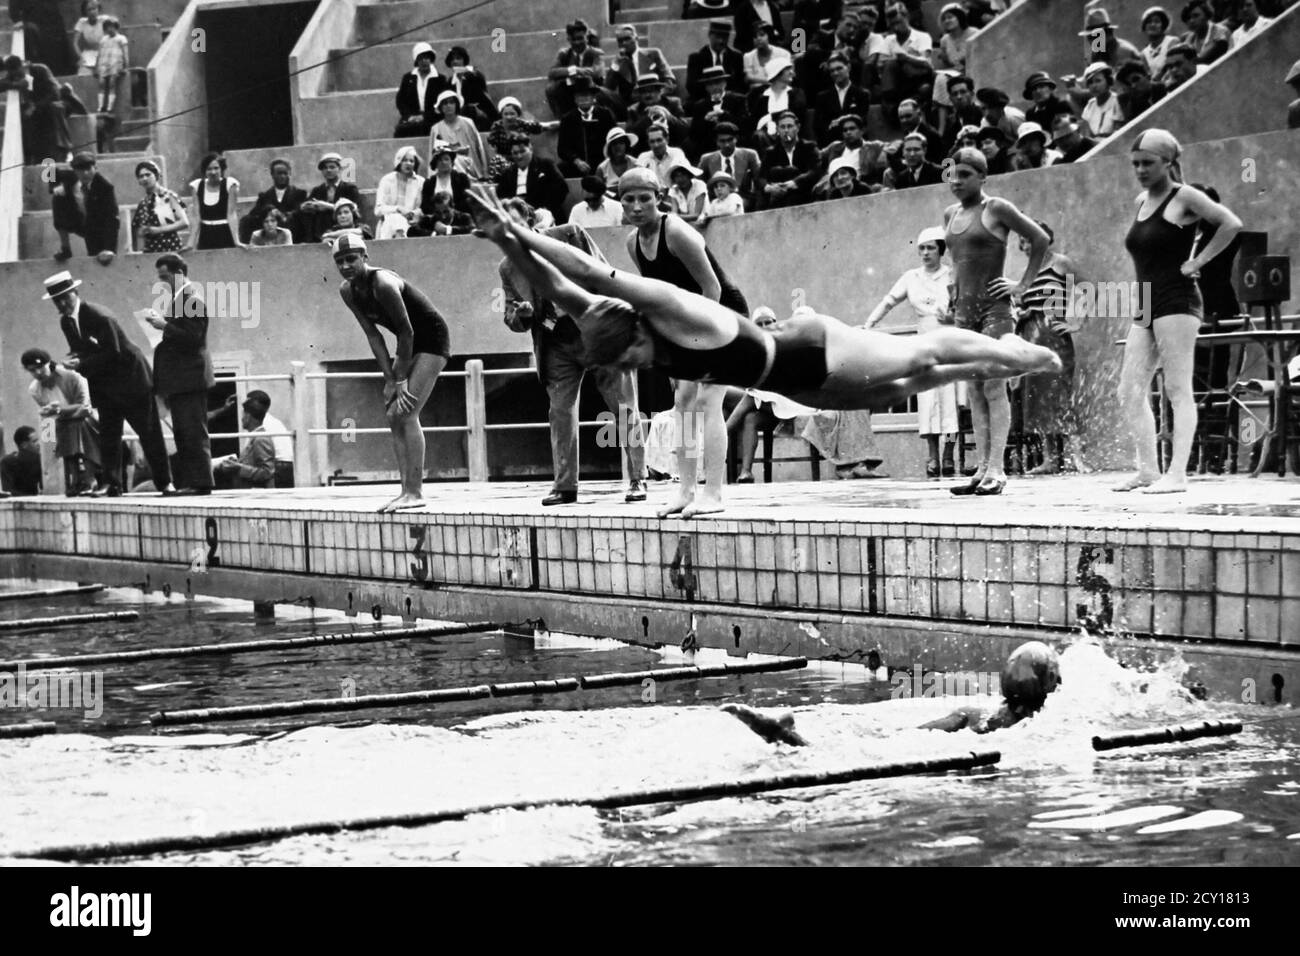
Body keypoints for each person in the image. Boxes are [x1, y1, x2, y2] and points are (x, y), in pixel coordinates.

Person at [463, 183, 1060, 424]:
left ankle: (1009, 349)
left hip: (817, 349)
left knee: (923, 355)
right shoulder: (608, 327)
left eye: (635, 359)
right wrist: (505, 240)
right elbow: (563, 289)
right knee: (906, 388)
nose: (639, 368)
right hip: (799, 384)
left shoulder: (669, 308)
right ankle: (997, 360)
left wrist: (526, 231)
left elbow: (590, 269)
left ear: (639, 335)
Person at [1115, 129, 1241, 494]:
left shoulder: (1184, 196)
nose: (1140, 170)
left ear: (1168, 163)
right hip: (1148, 302)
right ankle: (1148, 470)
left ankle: (1177, 475)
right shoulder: (1142, 200)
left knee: (1177, 389)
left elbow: (1230, 223)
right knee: (1128, 389)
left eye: (1148, 163)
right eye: (1136, 163)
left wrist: (1198, 260)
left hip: (1178, 301)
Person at [618, 167, 747, 518]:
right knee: (683, 403)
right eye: (628, 199)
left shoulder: (675, 231)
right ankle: (686, 491)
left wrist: (700, 343)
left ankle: (715, 493)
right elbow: (660, 298)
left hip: (722, 313)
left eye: (645, 198)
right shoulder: (633, 243)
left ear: (659, 198)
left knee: (708, 400)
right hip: (687, 322)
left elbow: (713, 289)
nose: (637, 206)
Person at [499, 201, 646, 506]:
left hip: (597, 332)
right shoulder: (507, 267)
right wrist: (522, 315)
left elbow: (605, 275)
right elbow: (511, 316)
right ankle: (565, 486)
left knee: (623, 406)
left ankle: (638, 478)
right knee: (560, 413)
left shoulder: (568, 235)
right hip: (556, 343)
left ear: (529, 219)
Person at [943, 148, 1052, 497]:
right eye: (952, 174)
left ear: (982, 177)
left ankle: (998, 470)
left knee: (993, 386)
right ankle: (980, 470)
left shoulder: (997, 208)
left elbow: (1040, 238)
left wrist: (1022, 285)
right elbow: (960, 262)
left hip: (995, 309)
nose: (956, 181)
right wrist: (952, 291)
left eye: (965, 174)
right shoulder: (950, 213)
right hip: (964, 313)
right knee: (973, 389)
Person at [723, 641, 1064, 745]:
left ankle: (788, 735)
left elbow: (921, 732)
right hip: (959, 753)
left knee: (882, 743)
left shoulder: (974, 713)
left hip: (911, 738)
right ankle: (788, 737)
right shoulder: (1038, 728)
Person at [334, 235, 452, 512]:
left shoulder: (384, 284)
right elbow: (373, 336)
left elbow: (406, 332)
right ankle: (405, 491)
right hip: (408, 343)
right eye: (340, 261)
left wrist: (399, 379)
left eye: (351, 258)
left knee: (406, 411)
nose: (346, 266)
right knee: (392, 414)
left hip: (431, 340)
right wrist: (389, 379)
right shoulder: (347, 291)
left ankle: (416, 492)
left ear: (365, 257)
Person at [44, 270, 173, 496]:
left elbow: (114, 352)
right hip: (105, 383)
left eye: (66, 297)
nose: (63, 303)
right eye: (58, 300)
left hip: (131, 381)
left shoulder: (99, 316)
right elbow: (81, 349)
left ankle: (165, 483)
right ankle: (112, 484)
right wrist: (74, 358)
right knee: (109, 435)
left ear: (76, 292)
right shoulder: (67, 322)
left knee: (149, 433)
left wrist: (81, 365)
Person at [865, 226, 958, 478]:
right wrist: (869, 324)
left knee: (949, 399)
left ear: (941, 250)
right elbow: (889, 301)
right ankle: (932, 456)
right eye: (922, 249)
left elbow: (962, 305)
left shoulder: (952, 275)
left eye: (930, 248)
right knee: (927, 397)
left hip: (948, 339)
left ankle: (948, 455)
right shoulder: (911, 277)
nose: (926, 253)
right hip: (923, 340)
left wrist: (953, 318)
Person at [1012, 221, 1082, 475]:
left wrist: (1076, 322)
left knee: (1060, 396)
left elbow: (1087, 287)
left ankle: (1076, 457)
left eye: (1031, 239)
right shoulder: (1029, 271)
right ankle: (1050, 459)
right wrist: (1024, 313)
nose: (1026, 244)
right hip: (1032, 337)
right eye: (1023, 240)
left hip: (1054, 336)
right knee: (1038, 400)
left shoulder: (1060, 262)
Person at [143, 254, 214, 496]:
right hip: (182, 378)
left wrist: (164, 326)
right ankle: (192, 481)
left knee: (192, 430)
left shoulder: (191, 298)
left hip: (189, 378)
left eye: (165, 277)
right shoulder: (181, 298)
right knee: (184, 431)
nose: (162, 282)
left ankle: (201, 482)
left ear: (179, 273)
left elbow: (194, 337)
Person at [22, 348, 102, 496]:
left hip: (87, 418)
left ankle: (88, 479)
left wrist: (60, 410)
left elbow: (84, 405)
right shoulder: (35, 389)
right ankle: (71, 481)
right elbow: (48, 415)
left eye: (40, 368)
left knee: (77, 426)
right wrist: (50, 418)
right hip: (61, 422)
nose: (38, 373)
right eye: (32, 370)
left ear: (48, 364)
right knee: (52, 438)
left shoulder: (71, 376)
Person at [51, 152, 119, 264]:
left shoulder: (105, 187)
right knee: (58, 197)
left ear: (95, 168)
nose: (85, 173)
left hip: (97, 227)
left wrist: (110, 249)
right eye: (81, 170)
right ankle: (65, 248)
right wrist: (55, 186)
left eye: (88, 169)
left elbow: (112, 219)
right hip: (77, 220)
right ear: (74, 171)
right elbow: (51, 171)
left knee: (98, 258)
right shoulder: (68, 177)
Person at [495, 133, 569, 223]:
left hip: (544, 214)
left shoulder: (546, 165)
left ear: (530, 148)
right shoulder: (508, 173)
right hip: (517, 218)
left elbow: (562, 188)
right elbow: (501, 196)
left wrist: (544, 208)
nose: (519, 156)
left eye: (522, 151)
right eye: (515, 153)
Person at [546, 19, 608, 118]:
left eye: (580, 38)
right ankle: (561, 119)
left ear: (587, 37)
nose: (577, 42)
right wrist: (575, 70)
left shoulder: (596, 53)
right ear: (568, 40)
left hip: (591, 89)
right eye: (573, 39)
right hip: (571, 90)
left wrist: (581, 74)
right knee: (551, 88)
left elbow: (597, 72)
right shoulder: (564, 54)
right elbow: (552, 72)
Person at [557, 76, 617, 178]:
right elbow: (562, 149)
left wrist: (606, 160)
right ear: (575, 99)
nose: (583, 99)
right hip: (578, 166)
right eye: (580, 95)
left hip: (604, 163)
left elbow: (614, 139)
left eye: (587, 95)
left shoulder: (605, 115)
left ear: (593, 97)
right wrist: (577, 161)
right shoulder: (568, 119)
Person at [213, 395, 276, 489]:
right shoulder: (255, 437)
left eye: (243, 414)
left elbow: (267, 472)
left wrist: (239, 468)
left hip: (258, 496)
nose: (241, 418)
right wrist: (237, 464)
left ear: (248, 416)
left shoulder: (260, 438)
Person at [759, 111, 820, 208]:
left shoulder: (809, 147)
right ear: (777, 130)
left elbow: (815, 170)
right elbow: (761, 177)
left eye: (789, 126)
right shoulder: (771, 152)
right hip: (779, 195)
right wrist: (770, 188)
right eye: (782, 127)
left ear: (797, 127)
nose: (786, 130)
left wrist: (794, 182)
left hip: (804, 192)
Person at [299, 152, 363, 244]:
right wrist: (307, 206)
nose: (328, 170)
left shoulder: (349, 188)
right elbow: (308, 205)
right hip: (322, 229)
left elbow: (355, 209)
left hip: (345, 228)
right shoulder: (317, 190)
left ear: (339, 169)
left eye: (332, 167)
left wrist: (327, 206)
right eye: (325, 168)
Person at [238, 159, 308, 243]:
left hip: (292, 230)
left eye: (285, 173)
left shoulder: (299, 194)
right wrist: (269, 211)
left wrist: (282, 215)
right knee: (246, 220)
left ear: (289, 174)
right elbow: (254, 214)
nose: (282, 176)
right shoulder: (264, 196)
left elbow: (299, 211)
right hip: (270, 232)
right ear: (272, 175)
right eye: (279, 173)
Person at [699, 122, 762, 210]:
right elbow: (699, 185)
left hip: (744, 200)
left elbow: (760, 179)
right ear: (717, 142)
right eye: (722, 141)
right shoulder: (706, 159)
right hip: (716, 202)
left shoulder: (750, 155)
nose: (727, 145)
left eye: (730, 140)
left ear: (736, 139)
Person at [130, 160, 188, 254]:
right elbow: (139, 231)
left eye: (148, 175)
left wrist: (159, 230)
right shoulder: (143, 203)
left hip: (170, 247)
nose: (145, 179)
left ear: (156, 176)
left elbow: (184, 222)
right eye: (141, 176)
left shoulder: (168, 197)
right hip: (151, 250)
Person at [189, 153, 244, 251]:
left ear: (222, 169)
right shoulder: (197, 186)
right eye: (209, 169)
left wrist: (236, 241)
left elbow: (231, 214)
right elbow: (197, 217)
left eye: (216, 168)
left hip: (225, 234)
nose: (213, 172)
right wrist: (190, 243)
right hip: (206, 235)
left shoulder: (230, 184)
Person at [394, 42, 448, 137]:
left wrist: (424, 117)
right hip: (412, 119)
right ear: (416, 60)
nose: (424, 61)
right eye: (421, 58)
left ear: (431, 59)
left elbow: (441, 103)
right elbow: (401, 101)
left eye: (427, 58)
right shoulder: (408, 78)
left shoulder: (440, 79)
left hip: (433, 118)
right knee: (401, 131)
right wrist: (409, 116)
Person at [430, 90, 487, 180]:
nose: (448, 106)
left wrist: (483, 172)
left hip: (469, 164)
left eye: (451, 102)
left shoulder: (468, 123)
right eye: (445, 103)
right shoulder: (436, 128)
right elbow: (433, 153)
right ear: (441, 107)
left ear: (456, 105)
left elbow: (478, 147)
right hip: (446, 165)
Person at [686, 20, 746, 104]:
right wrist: (713, 96)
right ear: (710, 35)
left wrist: (725, 96)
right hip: (704, 100)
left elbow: (741, 84)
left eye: (725, 37)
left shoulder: (736, 56)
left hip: (730, 100)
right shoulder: (696, 58)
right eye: (717, 37)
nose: (721, 41)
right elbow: (691, 86)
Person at [375, 145, 425, 240]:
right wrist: (398, 209)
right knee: (395, 219)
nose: (408, 163)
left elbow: (423, 208)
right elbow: (378, 209)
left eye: (411, 161)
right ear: (398, 162)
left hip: (412, 223)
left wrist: (414, 214)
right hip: (388, 222)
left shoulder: (421, 182)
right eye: (404, 160)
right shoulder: (387, 180)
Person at [443, 46, 497, 131]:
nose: (455, 62)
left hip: (476, 116)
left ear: (464, 60)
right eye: (452, 59)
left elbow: (483, 100)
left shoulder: (474, 75)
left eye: (458, 58)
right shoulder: (450, 81)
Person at [741, 22, 792, 91]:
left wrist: (758, 81)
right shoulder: (748, 56)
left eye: (762, 35)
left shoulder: (783, 54)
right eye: (755, 36)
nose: (758, 39)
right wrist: (773, 81)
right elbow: (749, 77)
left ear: (769, 36)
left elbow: (786, 78)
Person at [596, 127, 645, 195]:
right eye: (614, 143)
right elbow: (597, 193)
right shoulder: (602, 168)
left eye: (621, 142)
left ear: (626, 145)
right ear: (610, 147)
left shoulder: (636, 164)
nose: (618, 146)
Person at [94, 15, 128, 114]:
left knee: (112, 84)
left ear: (116, 27)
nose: (110, 29)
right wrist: (96, 68)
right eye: (107, 27)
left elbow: (125, 53)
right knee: (101, 84)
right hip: (104, 64)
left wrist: (126, 66)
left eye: (112, 26)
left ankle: (109, 107)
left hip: (115, 64)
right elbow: (99, 54)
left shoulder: (121, 38)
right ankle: (100, 106)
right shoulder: (103, 40)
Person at [1079, 63, 1122, 139]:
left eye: (1098, 81)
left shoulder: (1117, 101)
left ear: (1108, 81)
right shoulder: (1090, 105)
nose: (1094, 86)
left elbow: (1119, 133)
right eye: (1090, 82)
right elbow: (1086, 135)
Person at [1140, 6, 1180, 79]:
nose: (1152, 25)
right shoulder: (1144, 54)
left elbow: (1171, 64)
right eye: (1149, 22)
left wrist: (1158, 76)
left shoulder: (1172, 42)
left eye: (1157, 21)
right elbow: (1148, 76)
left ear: (1163, 25)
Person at [0, 426, 42, 496]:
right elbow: (8, 490)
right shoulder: (7, 462)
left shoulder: (39, 460)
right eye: (34, 441)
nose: (38, 444)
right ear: (24, 445)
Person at [73, 1, 106, 76]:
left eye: (94, 9)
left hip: (104, 53)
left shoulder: (104, 20)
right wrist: (81, 58)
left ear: (98, 9)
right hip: (88, 55)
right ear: (85, 11)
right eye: (89, 9)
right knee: (83, 74)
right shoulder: (82, 22)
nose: (92, 12)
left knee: (103, 75)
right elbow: (75, 43)